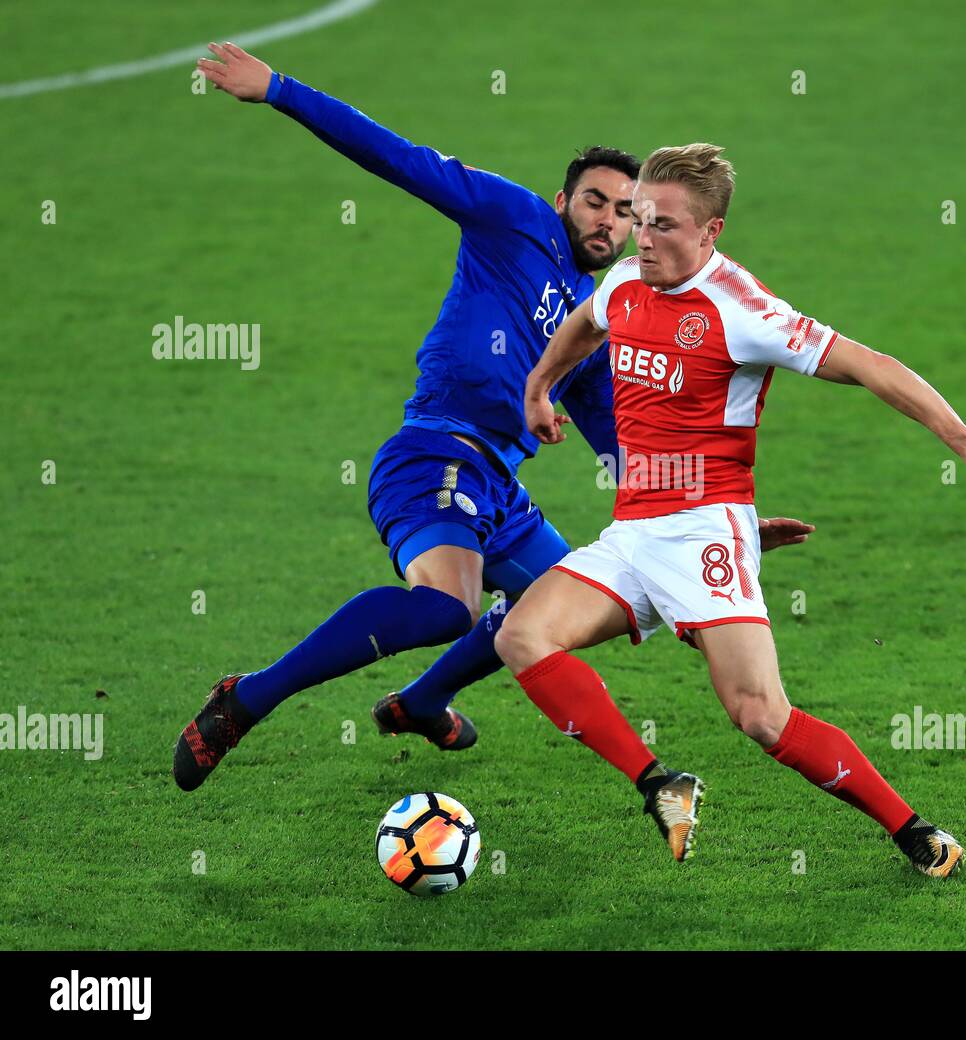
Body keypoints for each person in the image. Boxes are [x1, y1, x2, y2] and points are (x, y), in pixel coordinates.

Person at [173, 48, 812, 853]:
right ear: (563, 201)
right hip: (433, 453)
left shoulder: (603, 312)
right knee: (448, 606)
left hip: (497, 488)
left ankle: (420, 704)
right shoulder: (509, 217)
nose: (607, 222)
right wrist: (279, 92)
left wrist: (726, 527)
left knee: (550, 605)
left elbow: (628, 448)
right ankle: (247, 699)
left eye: (626, 213)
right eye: (594, 202)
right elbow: (397, 157)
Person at [495, 143, 966, 873]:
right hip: (632, 534)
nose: (643, 236)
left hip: (706, 530)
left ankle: (914, 831)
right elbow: (587, 322)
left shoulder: (743, 310)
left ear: (710, 233)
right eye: (638, 218)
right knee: (522, 637)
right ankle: (661, 786)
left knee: (762, 717)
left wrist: (958, 437)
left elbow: (871, 366)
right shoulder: (626, 283)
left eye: (665, 225)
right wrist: (539, 386)